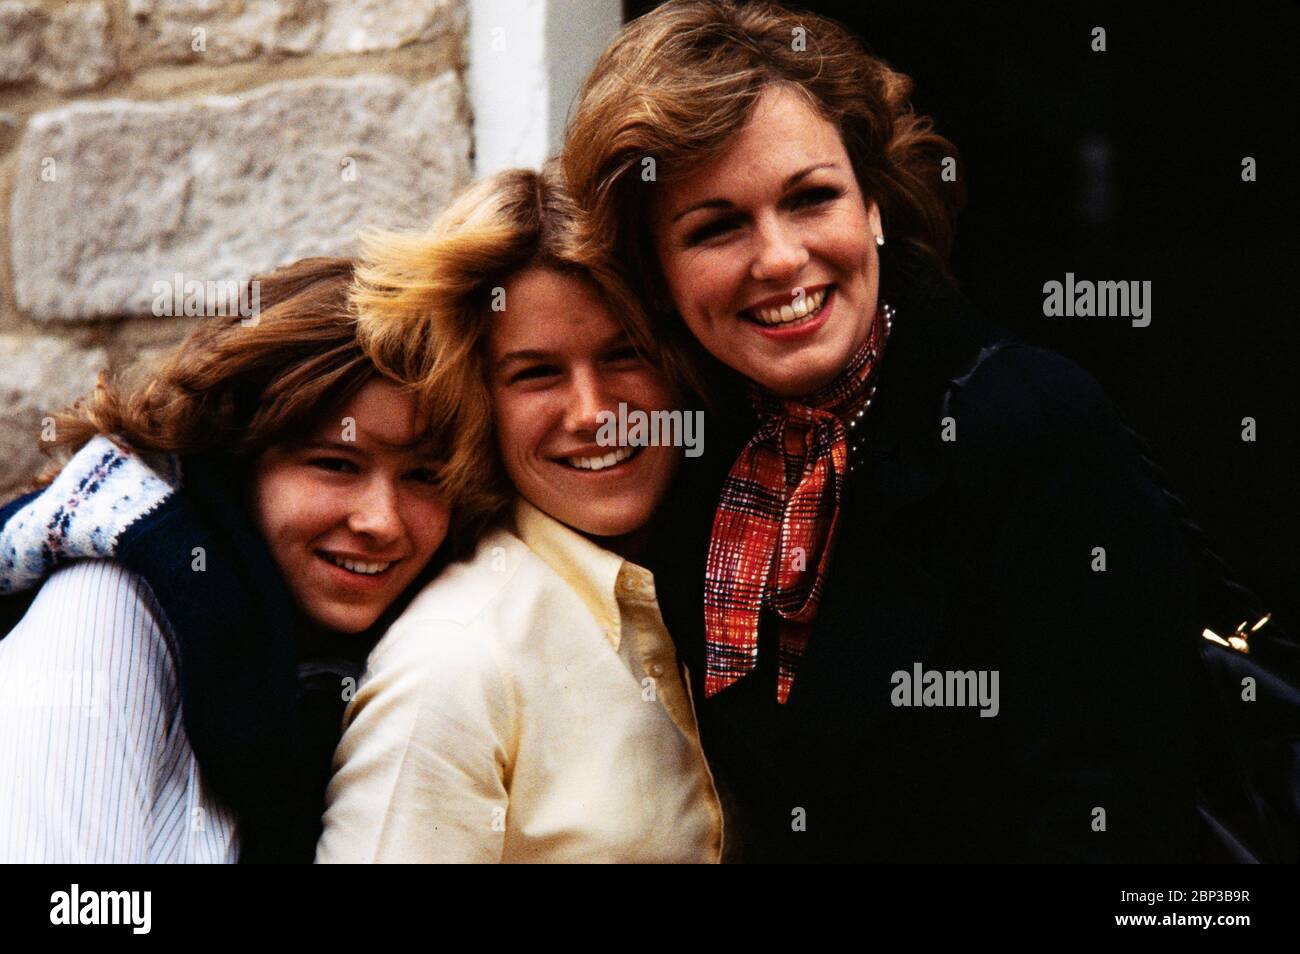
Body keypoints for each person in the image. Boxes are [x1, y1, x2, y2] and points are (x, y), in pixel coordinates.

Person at [561, 0, 1202, 861]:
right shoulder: (690, 454)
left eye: (811, 198)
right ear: (656, 272)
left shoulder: (1029, 425)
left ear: (874, 206)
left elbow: (1117, 822)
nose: (780, 258)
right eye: (716, 227)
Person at [315, 166, 723, 863]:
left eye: (625, 355)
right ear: (477, 400)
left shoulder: (727, 574)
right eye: (536, 373)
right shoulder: (452, 663)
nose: (594, 412)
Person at [0, 257, 469, 863]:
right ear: (238, 459)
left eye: (426, 476)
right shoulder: (110, 613)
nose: (382, 521)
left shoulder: (396, 646)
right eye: (335, 464)